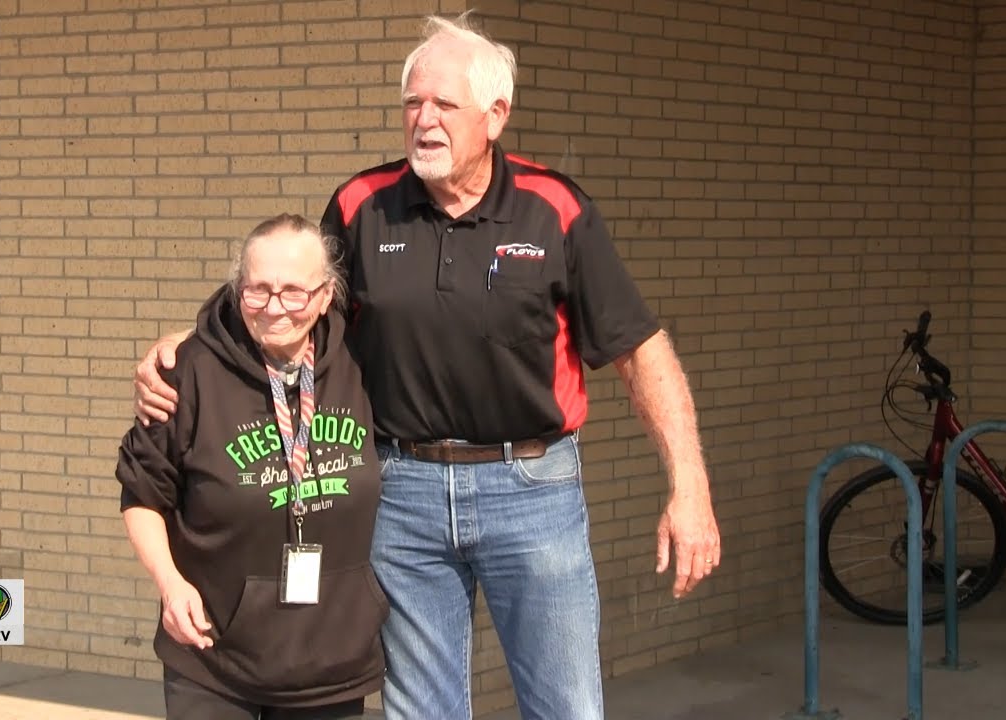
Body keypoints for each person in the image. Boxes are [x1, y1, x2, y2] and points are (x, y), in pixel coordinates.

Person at [133, 14, 721, 720]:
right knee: (421, 711)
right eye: (413, 102)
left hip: (531, 490)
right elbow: (292, 293)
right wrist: (194, 337)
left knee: (565, 704)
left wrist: (689, 490)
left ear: (495, 115)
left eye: (444, 104)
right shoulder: (362, 206)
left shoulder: (554, 210)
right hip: (402, 491)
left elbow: (639, 348)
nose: (424, 120)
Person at [115, 213, 388, 720]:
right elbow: (142, 493)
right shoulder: (189, 372)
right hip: (214, 655)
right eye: (257, 290)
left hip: (329, 659)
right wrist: (169, 583)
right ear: (238, 289)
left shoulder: (362, 361)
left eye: (293, 292)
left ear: (326, 295)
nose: (274, 308)